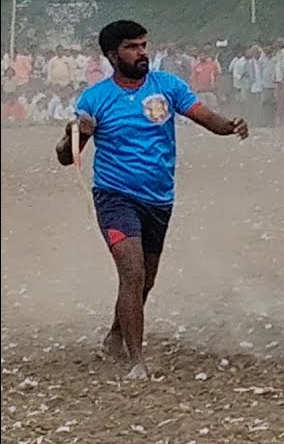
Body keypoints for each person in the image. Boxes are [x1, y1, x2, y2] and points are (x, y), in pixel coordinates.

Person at [55, 20, 248, 380]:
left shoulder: (168, 86)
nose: (142, 52)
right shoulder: (94, 99)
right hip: (114, 196)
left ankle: (115, 335)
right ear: (113, 55)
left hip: (159, 198)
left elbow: (205, 117)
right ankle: (137, 361)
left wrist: (230, 126)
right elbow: (67, 157)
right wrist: (74, 136)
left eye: (144, 45)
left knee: (145, 281)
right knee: (132, 271)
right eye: (132, 47)